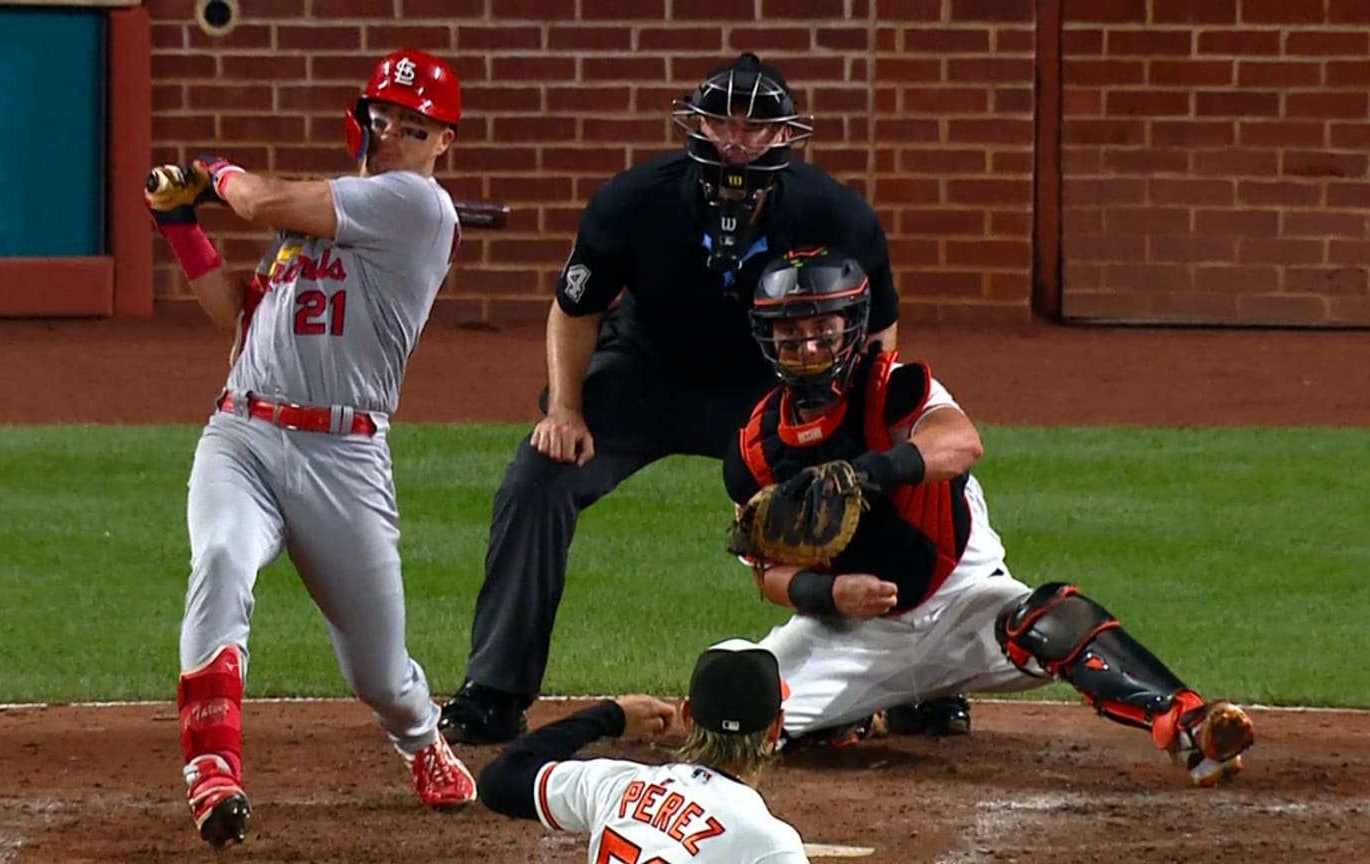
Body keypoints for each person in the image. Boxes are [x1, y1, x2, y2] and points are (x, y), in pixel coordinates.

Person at [440, 51, 966, 745]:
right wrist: (564, 410)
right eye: (723, 120)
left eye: (758, 127)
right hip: (644, 372)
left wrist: (866, 431)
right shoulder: (633, 200)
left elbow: (876, 331)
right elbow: (576, 309)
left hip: (773, 385)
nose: (738, 141)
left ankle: (911, 683)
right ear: (696, 123)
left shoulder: (836, 214)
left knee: (859, 492)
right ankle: (494, 689)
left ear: (788, 137)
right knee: (537, 480)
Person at [722, 246, 1256, 786]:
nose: (808, 347)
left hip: (965, 605)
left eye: (823, 329)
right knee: (730, 710)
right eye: (791, 333)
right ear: (768, 337)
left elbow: (960, 442)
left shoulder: (895, 387)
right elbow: (767, 574)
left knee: (1049, 616)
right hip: (854, 635)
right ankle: (850, 714)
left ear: (852, 328)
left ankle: (1186, 721)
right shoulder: (756, 450)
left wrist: (865, 475)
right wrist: (832, 596)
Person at [144, 48, 477, 848]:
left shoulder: (417, 208)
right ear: (362, 121)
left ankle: (420, 736)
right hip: (243, 433)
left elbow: (256, 198)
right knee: (220, 558)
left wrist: (210, 169)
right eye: (384, 118)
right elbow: (240, 314)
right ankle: (212, 768)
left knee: (380, 673)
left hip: (344, 456)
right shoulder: (324, 215)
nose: (393, 134)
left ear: (442, 144)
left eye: (414, 125)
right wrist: (179, 224)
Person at [476, 638, 810, 863]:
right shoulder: (771, 844)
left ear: (688, 717)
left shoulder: (616, 785)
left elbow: (500, 780)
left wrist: (610, 716)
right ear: (775, 728)